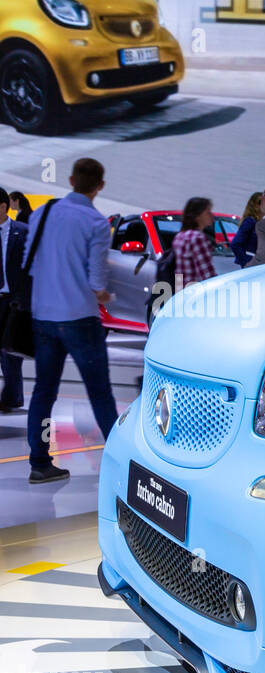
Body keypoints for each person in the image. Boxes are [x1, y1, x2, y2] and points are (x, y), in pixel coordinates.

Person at [24, 158, 118, 484]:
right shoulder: (95, 222)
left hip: (43, 316)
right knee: (100, 394)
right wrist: (107, 297)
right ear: (100, 185)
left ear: (70, 179)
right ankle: (118, 462)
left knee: (43, 391)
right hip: (79, 317)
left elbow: (29, 264)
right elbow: (96, 282)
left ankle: (39, 463)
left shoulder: (42, 213)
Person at [0, 188, 30, 413]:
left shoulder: (22, 231)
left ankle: (11, 398)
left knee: (10, 352)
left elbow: (30, 268)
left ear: (3, 207)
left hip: (13, 301)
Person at [172, 196, 217, 285]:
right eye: (208, 212)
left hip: (182, 290)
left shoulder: (180, 236)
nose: (212, 215)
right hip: (195, 292)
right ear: (197, 216)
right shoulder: (196, 237)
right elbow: (207, 274)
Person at [230, 191, 261, 267]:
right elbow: (235, 244)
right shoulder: (250, 221)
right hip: (251, 265)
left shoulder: (261, 222)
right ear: (255, 205)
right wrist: (246, 263)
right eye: (261, 202)